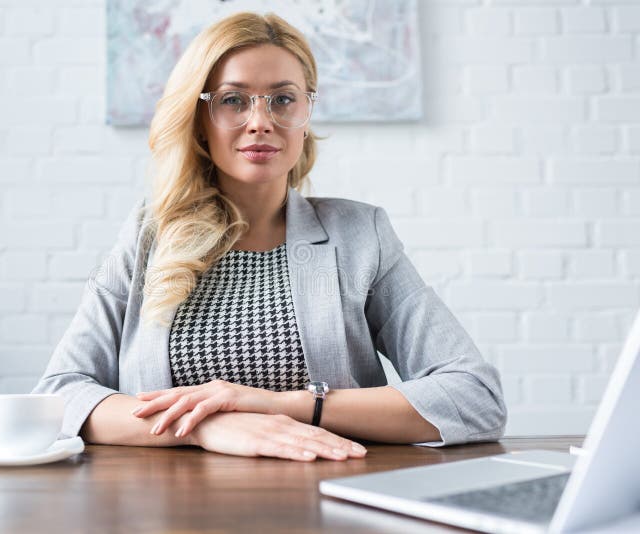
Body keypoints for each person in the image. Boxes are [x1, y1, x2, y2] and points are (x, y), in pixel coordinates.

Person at [32, 12, 506, 462]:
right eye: (233, 99)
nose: (260, 120)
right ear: (200, 118)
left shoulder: (361, 236)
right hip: (169, 509)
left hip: (331, 498)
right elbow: (58, 396)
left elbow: (474, 398)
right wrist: (204, 427)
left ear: (306, 114)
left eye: (282, 99)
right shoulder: (146, 238)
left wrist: (282, 405)